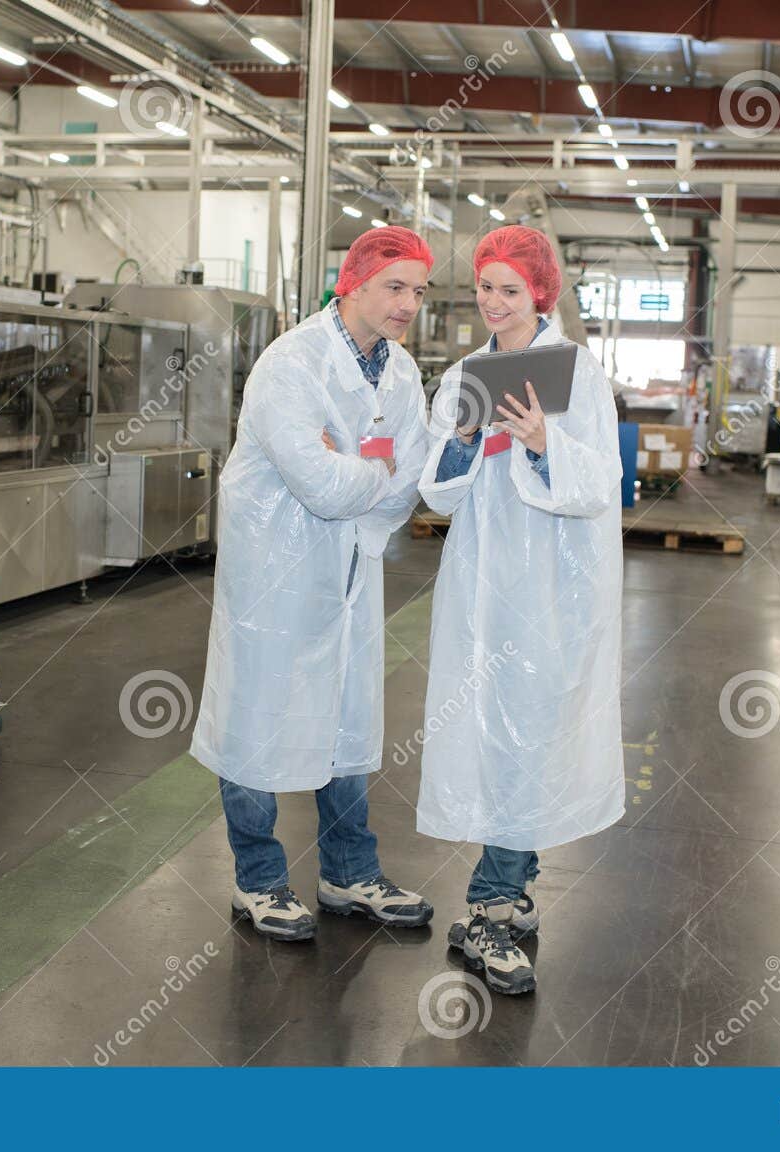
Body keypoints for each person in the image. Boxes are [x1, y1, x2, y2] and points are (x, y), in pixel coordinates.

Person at [191, 226, 437, 941]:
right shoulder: (290, 363)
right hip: (276, 569)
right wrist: (371, 472)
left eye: (418, 291)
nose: (408, 304)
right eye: (396, 286)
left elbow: (404, 486)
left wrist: (359, 469)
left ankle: (348, 871)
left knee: (346, 718)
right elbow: (320, 484)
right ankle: (258, 880)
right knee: (256, 716)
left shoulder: (402, 374)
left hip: (353, 568)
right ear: (353, 283)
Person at [416, 225, 625, 993]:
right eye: (485, 286)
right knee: (503, 738)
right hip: (483, 584)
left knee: (532, 734)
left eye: (510, 289)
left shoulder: (577, 375)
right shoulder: (466, 374)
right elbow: (436, 489)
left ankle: (494, 898)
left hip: (554, 584)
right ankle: (493, 901)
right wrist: (466, 441)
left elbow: (599, 479)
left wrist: (542, 443)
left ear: (540, 292)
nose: (494, 301)